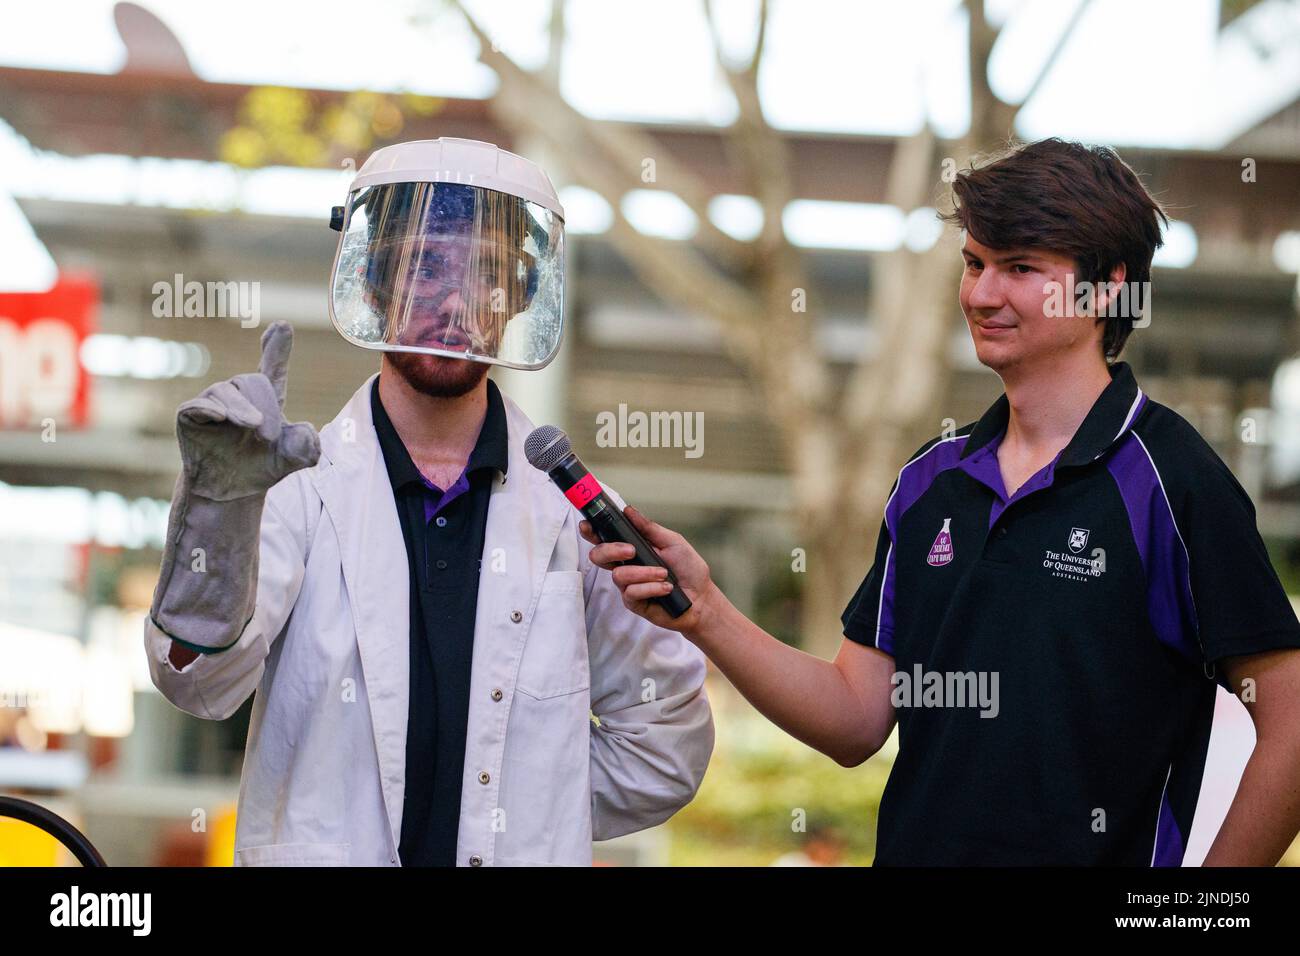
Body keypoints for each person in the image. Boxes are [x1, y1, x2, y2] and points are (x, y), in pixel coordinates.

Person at [584, 139, 1300, 866]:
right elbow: (856, 719)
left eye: (1020, 268)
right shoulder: (930, 483)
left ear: (1107, 287)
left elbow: (1292, 723)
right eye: (975, 262)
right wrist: (706, 610)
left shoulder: (1175, 482)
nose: (982, 294)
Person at [145, 137, 713, 867]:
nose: (450, 302)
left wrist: (521, 806)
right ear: (373, 286)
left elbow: (665, 746)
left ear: (523, 295)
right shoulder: (297, 489)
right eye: (424, 268)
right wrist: (219, 516)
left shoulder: (574, 512)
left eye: (483, 275)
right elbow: (197, 684)